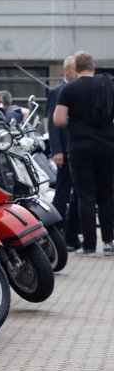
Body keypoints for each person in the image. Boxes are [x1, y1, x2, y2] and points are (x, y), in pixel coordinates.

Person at [54, 50, 114, 255]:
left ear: (75, 68)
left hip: (80, 147)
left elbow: (59, 120)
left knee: (85, 195)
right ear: (93, 66)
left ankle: (89, 245)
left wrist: (76, 122)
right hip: (107, 147)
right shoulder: (108, 86)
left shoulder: (69, 89)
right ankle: (108, 242)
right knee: (106, 194)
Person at [46, 55, 80, 250]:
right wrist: (56, 150)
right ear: (67, 70)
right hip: (64, 153)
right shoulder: (56, 91)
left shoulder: (81, 91)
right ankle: (57, 236)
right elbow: (53, 123)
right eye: (76, 69)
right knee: (62, 194)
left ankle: (73, 236)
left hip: (79, 151)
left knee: (79, 196)